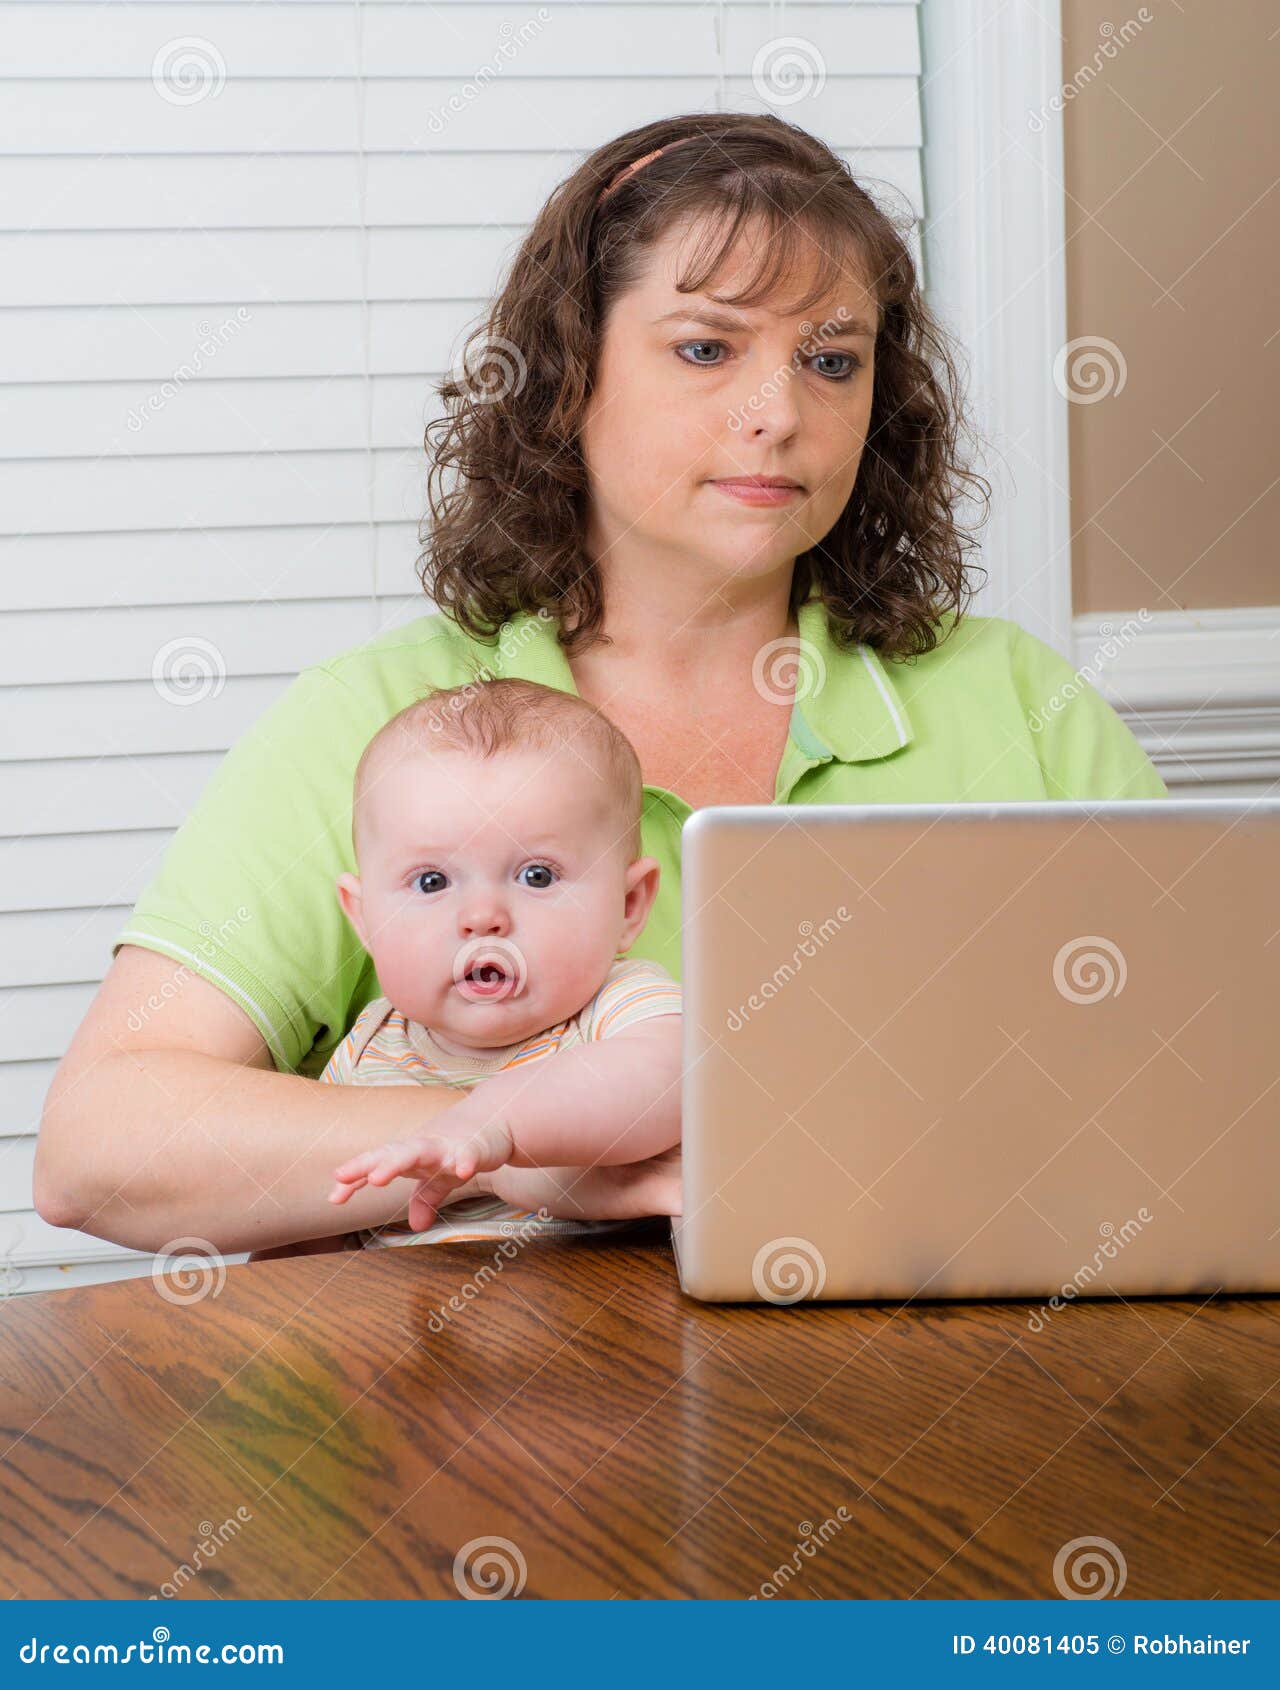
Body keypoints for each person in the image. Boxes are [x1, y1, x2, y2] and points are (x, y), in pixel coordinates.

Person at [34, 111, 1167, 1259]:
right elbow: (102, 1149)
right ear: (568, 376)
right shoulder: (376, 716)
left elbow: (1204, 1078)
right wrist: (526, 1146)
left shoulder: (1018, 699)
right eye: (705, 348)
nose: (778, 412)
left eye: (830, 360)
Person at [313, 676, 683, 1254]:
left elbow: (670, 1081)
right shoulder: (368, 1048)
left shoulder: (623, 1007)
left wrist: (496, 1126)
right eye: (431, 881)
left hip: (606, 1316)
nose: (482, 917)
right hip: (406, 1323)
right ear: (365, 918)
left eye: (537, 876)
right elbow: (323, 1208)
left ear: (628, 905)